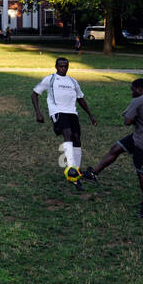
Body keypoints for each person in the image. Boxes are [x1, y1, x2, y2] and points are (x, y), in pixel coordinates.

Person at [80, 79, 143, 220]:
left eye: (133, 89)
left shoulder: (137, 101)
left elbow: (127, 121)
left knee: (142, 172)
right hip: (140, 136)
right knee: (116, 148)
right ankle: (93, 173)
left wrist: (139, 119)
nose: (131, 92)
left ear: (140, 89)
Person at [31, 57, 99, 190]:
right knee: (67, 134)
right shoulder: (49, 79)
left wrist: (91, 115)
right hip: (57, 112)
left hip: (72, 113)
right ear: (56, 67)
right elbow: (34, 94)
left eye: (65, 66)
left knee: (77, 139)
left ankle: (77, 171)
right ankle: (71, 171)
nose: (63, 68)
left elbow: (81, 99)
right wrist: (38, 112)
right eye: (61, 66)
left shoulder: (73, 81)